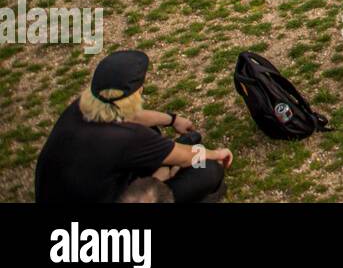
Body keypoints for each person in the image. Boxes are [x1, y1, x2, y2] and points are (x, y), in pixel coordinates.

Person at [34, 50, 231, 203]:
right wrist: (217, 154)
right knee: (207, 171)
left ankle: (164, 163)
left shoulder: (79, 108)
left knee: (153, 131)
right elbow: (188, 157)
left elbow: (133, 117)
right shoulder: (127, 137)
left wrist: (172, 120)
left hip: (64, 193)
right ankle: (165, 170)